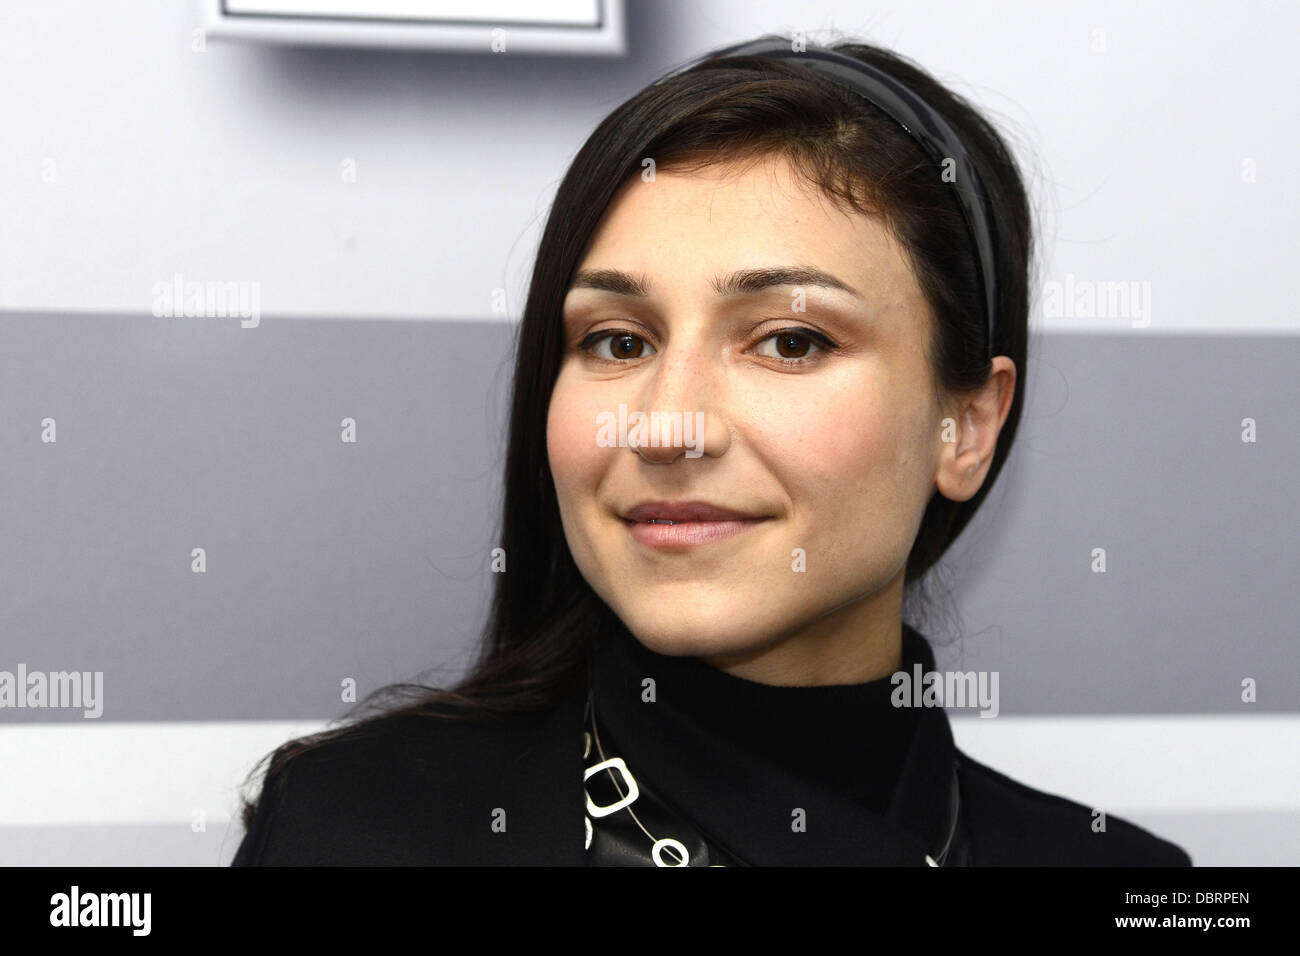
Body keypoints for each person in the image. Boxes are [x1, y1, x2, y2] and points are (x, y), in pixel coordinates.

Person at [231, 34, 1191, 866]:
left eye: (790, 340)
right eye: (619, 342)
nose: (666, 425)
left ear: (968, 426)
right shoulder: (350, 832)